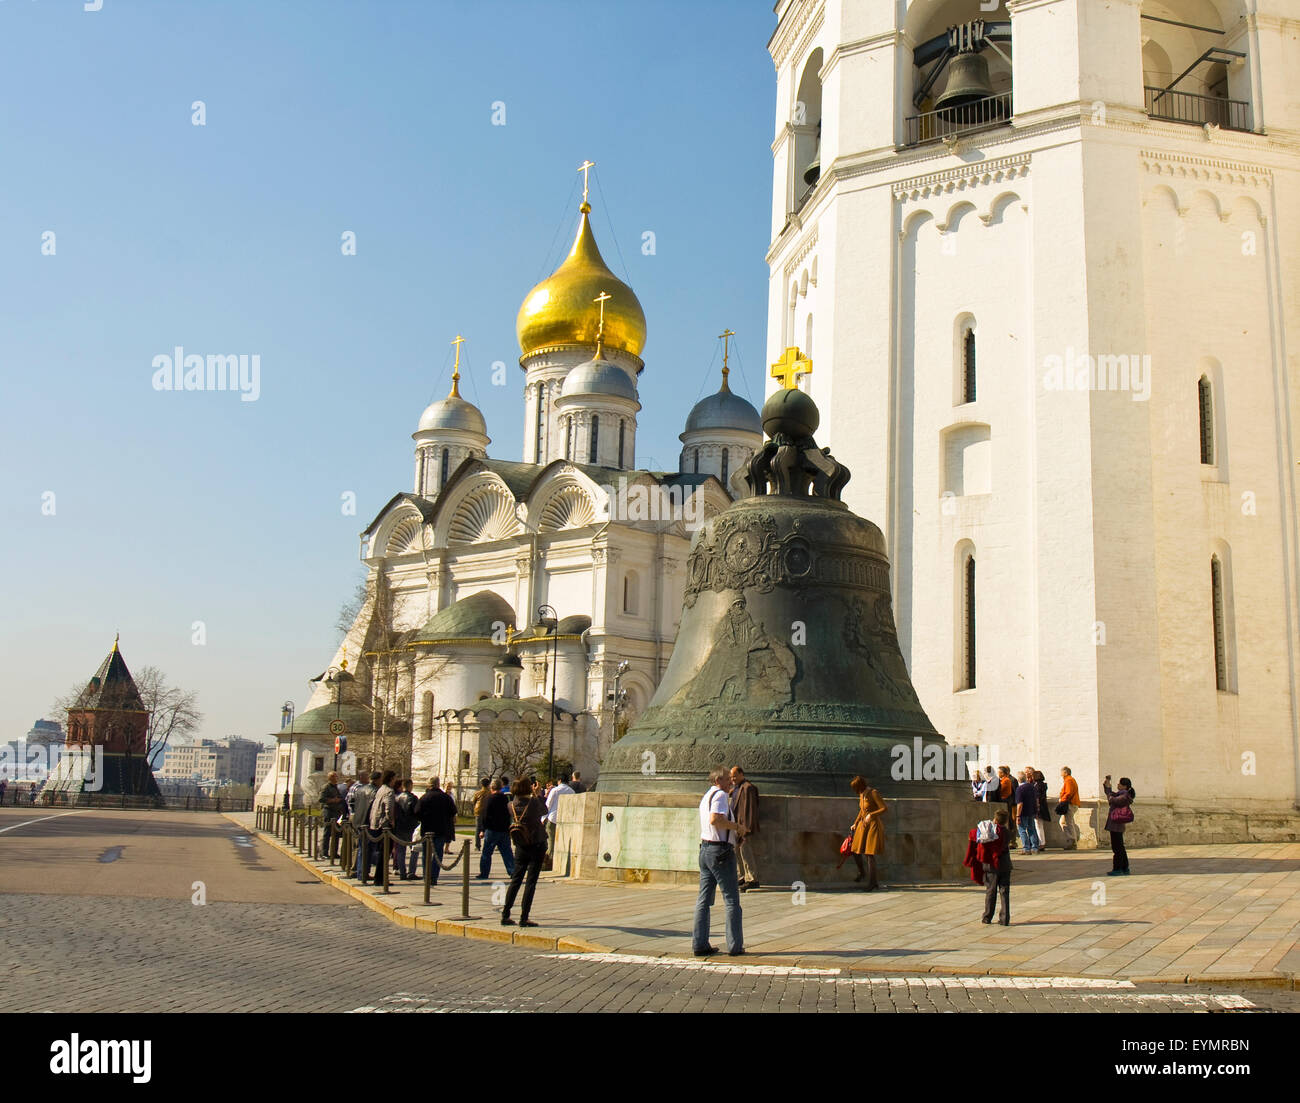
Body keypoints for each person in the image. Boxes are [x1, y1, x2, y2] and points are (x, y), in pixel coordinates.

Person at [692, 766, 746, 958]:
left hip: (705, 850)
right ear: (718, 781)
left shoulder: (706, 796)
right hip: (720, 852)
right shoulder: (721, 796)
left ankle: (699, 943)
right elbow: (716, 819)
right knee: (731, 900)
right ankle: (734, 946)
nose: (730, 782)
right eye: (726, 779)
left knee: (703, 900)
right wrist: (737, 827)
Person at [499, 778, 548, 927]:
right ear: (528, 788)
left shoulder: (510, 805)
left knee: (516, 880)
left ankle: (505, 914)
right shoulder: (533, 803)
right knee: (530, 882)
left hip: (521, 845)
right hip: (536, 844)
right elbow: (544, 810)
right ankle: (524, 917)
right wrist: (537, 794)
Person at [964, 808, 1013, 925]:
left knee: (991, 891)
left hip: (992, 865)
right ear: (1005, 821)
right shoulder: (1007, 833)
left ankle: (987, 916)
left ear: (995, 819)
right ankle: (1005, 918)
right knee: (1004, 891)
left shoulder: (991, 832)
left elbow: (974, 834)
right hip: (1005, 864)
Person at [415, 776, 459, 885]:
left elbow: (416, 812)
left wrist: (424, 818)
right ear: (438, 785)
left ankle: (426, 876)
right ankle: (434, 876)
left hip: (427, 829)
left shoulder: (425, 797)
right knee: (438, 854)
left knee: (426, 854)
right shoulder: (445, 797)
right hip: (441, 829)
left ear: (429, 785)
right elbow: (453, 811)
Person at [848, 775, 888, 890]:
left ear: (860, 786)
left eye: (856, 788)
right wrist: (855, 823)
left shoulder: (873, 793)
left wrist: (872, 814)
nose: (855, 791)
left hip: (873, 825)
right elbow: (862, 810)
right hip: (863, 825)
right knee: (855, 850)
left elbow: (884, 808)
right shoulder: (862, 794)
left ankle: (872, 883)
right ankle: (862, 873)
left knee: (869, 854)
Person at [729, 765, 761, 891]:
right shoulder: (737, 788)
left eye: (735, 776)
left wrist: (747, 829)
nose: (733, 779)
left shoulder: (748, 788)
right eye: (731, 777)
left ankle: (752, 879)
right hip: (736, 826)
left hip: (744, 828)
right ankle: (742, 877)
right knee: (737, 852)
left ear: (742, 774)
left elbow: (751, 810)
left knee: (745, 853)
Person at [477, 778, 515, 879]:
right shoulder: (505, 798)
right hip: (503, 829)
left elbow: (485, 815)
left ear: (492, 787)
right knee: (507, 852)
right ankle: (512, 871)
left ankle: (484, 873)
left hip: (492, 829)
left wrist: (482, 829)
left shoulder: (489, 799)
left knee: (487, 853)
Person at [349, 771, 379, 882]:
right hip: (367, 821)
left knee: (361, 849)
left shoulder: (360, 789)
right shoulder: (374, 791)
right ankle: (363, 873)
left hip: (358, 819)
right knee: (367, 849)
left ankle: (360, 872)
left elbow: (352, 802)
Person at [368, 770, 397, 882]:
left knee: (382, 852)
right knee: (385, 853)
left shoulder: (380, 789)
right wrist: (391, 820)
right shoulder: (389, 791)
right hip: (384, 825)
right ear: (391, 779)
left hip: (376, 822)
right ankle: (381, 878)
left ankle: (379, 876)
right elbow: (388, 809)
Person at [1103, 775, 1135, 875]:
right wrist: (1107, 783)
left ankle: (1118, 868)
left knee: (1117, 847)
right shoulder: (1120, 794)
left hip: (1116, 824)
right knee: (1120, 847)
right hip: (1116, 824)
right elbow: (1110, 794)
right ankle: (1125, 867)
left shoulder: (1124, 796)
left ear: (1125, 786)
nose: (1118, 785)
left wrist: (1110, 796)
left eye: (1120, 783)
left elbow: (1112, 799)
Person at [544, 773, 574, 866]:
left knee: (551, 842)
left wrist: (543, 817)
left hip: (553, 818)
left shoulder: (555, 790)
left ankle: (549, 863)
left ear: (559, 780)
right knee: (562, 842)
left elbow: (547, 805)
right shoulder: (572, 791)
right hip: (566, 819)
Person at [393, 778, 419, 880]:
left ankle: (402, 872)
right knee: (414, 850)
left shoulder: (397, 798)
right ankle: (411, 871)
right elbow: (416, 811)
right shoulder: (413, 798)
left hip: (400, 826)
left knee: (400, 851)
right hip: (411, 826)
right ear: (410, 786)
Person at [318, 771, 344, 861]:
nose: (336, 778)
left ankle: (334, 852)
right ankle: (324, 852)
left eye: (336, 776)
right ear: (330, 778)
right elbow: (321, 799)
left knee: (336, 833)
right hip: (328, 811)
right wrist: (333, 800)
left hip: (336, 812)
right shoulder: (326, 787)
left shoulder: (336, 787)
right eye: (334, 776)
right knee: (327, 833)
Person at [1014, 770, 1040, 854]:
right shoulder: (1032, 787)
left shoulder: (1019, 789)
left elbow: (1020, 804)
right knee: (1032, 829)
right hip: (1031, 811)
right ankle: (1035, 847)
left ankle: (1026, 848)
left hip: (1023, 812)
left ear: (1018, 780)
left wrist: (1018, 816)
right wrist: (1036, 811)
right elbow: (1036, 800)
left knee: (1022, 830)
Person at [1058, 766, 1080, 849]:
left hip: (1070, 804)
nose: (1061, 774)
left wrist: (1062, 800)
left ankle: (1072, 841)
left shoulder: (1069, 780)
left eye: (1062, 772)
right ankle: (1071, 840)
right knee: (1064, 822)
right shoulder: (1069, 780)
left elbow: (1068, 793)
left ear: (1066, 773)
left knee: (1067, 822)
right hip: (1071, 803)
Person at [996, 766, 1017, 847]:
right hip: (1008, 803)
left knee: (1011, 822)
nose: (998, 774)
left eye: (999, 772)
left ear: (1003, 773)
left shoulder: (1008, 780)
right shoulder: (1004, 780)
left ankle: (1012, 841)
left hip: (1010, 803)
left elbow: (1012, 792)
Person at [1033, 769, 1051, 850]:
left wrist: (1037, 807)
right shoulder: (1043, 785)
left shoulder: (1037, 785)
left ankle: (1041, 843)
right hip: (1043, 806)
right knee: (1040, 826)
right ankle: (1041, 842)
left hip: (1039, 807)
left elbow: (1037, 797)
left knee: (1038, 825)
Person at [471, 776, 490, 851]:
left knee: (478, 828)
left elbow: (474, 802)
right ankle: (487, 844)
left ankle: (477, 845)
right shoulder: (490, 793)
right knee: (488, 828)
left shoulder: (477, 793)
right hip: (487, 812)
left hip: (478, 812)